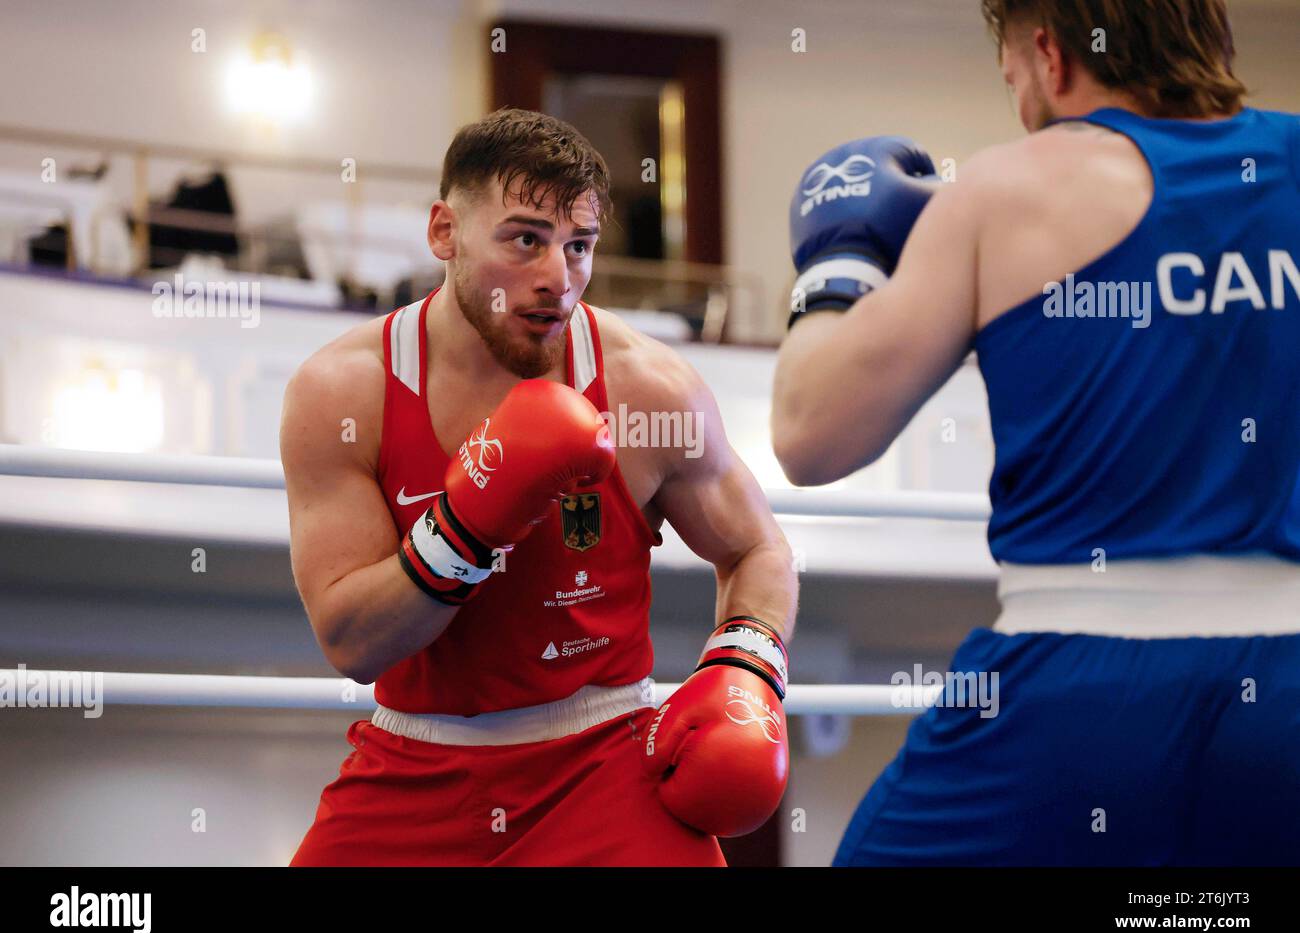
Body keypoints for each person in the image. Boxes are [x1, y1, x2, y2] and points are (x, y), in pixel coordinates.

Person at [772, 0, 1300, 865]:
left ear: (1052, 55)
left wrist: (841, 261)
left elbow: (808, 431)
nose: (1017, 94)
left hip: (1078, 684)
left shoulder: (1011, 186)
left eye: (1011, 71)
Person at [283, 109, 797, 866]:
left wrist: (747, 668)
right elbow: (351, 641)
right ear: (444, 233)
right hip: (417, 771)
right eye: (526, 239)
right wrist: (469, 528)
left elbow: (759, 548)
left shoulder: (646, 387)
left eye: (578, 246)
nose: (558, 278)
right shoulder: (345, 393)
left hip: (603, 762)